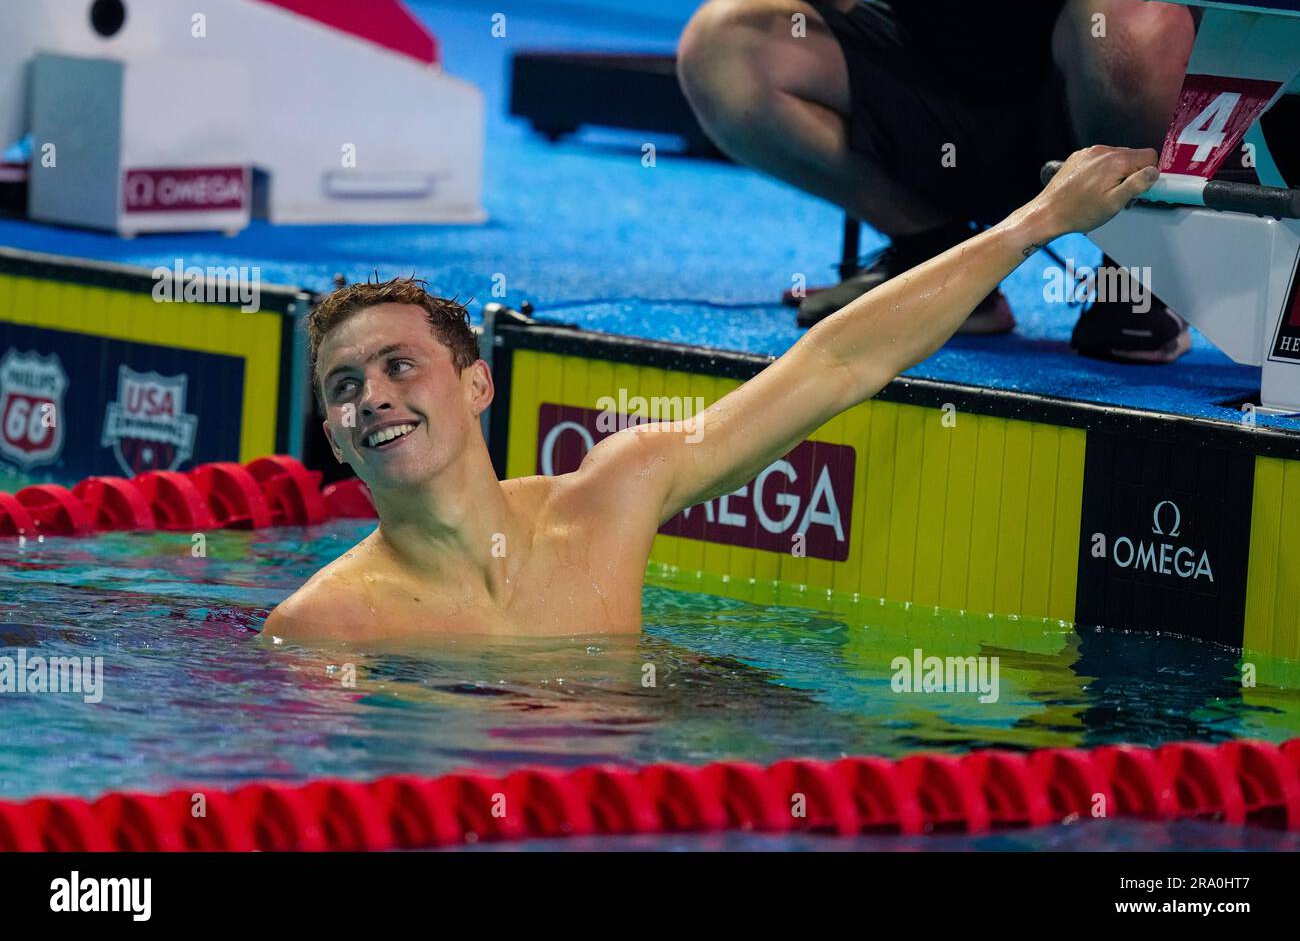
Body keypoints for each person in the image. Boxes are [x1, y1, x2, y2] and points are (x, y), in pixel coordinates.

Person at [264, 145, 1157, 644]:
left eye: (398, 365)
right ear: (335, 441)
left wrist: (1036, 223)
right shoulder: (326, 624)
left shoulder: (611, 499)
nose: (371, 397)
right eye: (344, 388)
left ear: (478, 382)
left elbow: (837, 365)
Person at [675, 0, 1196, 363]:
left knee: (1136, 16)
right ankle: (931, 249)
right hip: (920, 93)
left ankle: (1135, 273)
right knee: (726, 42)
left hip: (1073, 103)